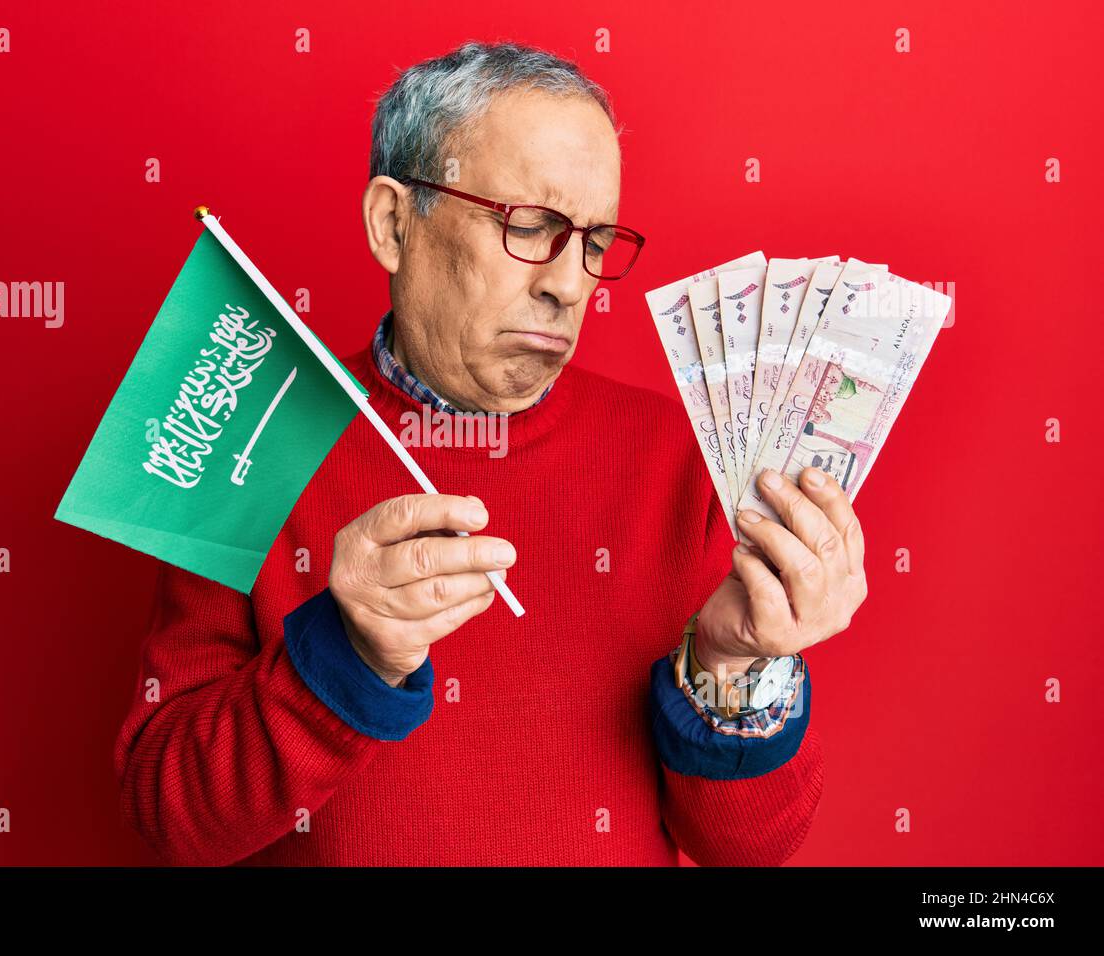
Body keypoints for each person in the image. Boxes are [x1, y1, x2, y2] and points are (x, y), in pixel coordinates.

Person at [113, 40, 867, 866]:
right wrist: (345, 653)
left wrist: (733, 667)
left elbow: (749, 851)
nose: (571, 284)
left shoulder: (680, 456)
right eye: (532, 226)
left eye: (593, 240)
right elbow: (168, 814)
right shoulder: (250, 433)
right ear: (394, 224)